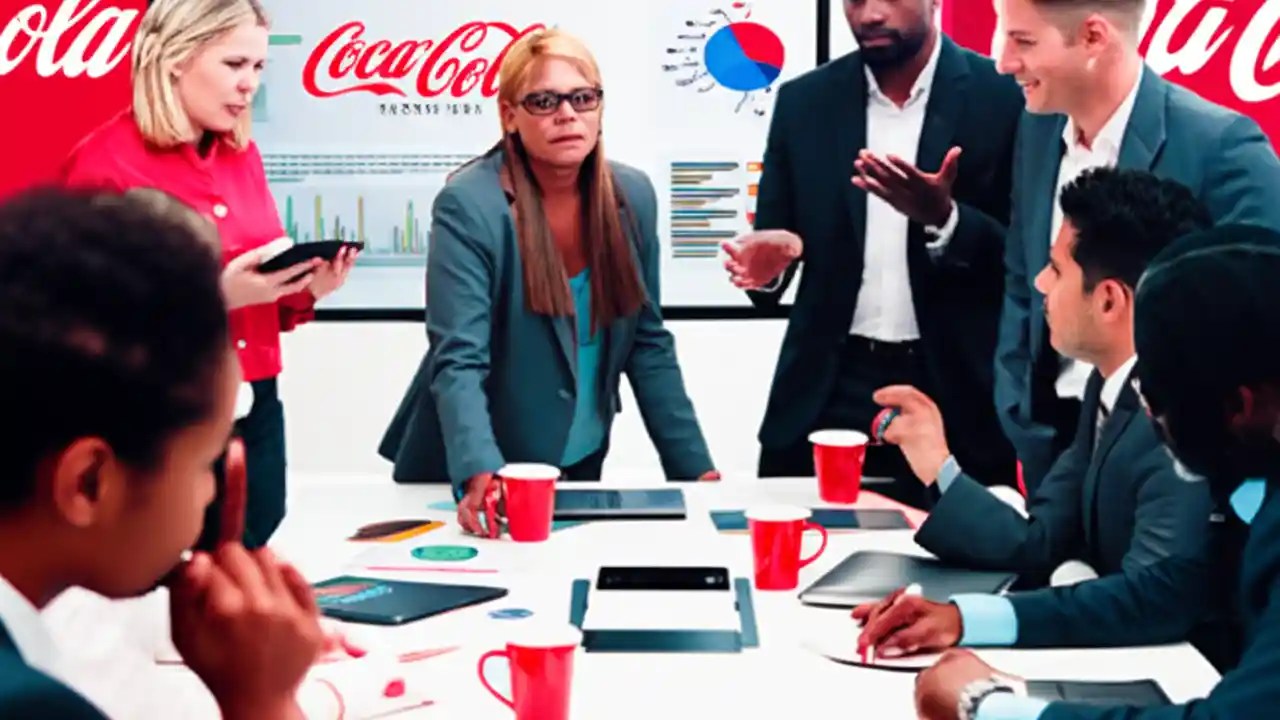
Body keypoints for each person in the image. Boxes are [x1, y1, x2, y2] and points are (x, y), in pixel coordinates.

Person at [853, 168, 1241, 670]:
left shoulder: (1174, 416)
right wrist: (937, 464)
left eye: (1056, 270)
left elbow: (1152, 601)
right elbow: (1039, 542)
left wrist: (967, 619)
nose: (1039, 283)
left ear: (1109, 300)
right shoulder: (1108, 385)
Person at [913, 222, 1280, 720]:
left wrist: (983, 706)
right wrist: (966, 618)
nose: (1146, 409)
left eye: (1157, 393)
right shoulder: (1252, 478)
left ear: (1240, 406)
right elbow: (1171, 591)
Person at [378, 28, 717, 536]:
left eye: (583, 98)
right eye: (543, 101)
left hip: (579, 460)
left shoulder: (633, 196)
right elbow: (459, 357)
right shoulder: (470, 204)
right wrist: (480, 470)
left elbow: (647, 343)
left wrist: (696, 472)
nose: (567, 114)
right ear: (509, 116)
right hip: (479, 470)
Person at [0, 187, 323, 719]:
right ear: (89, 483)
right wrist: (264, 700)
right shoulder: (30, 705)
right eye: (203, 463)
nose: (213, 492)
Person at [59, 0, 355, 549]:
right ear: (175, 57)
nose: (250, 85)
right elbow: (83, 322)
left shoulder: (243, 156)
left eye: (259, 67)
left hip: (254, 402)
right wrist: (211, 297)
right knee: (168, 568)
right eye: (234, 64)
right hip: (159, 412)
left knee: (249, 547)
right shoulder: (104, 163)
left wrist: (304, 288)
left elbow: (256, 287)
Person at [722, 0, 1023, 508]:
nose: (871, 14)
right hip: (828, 388)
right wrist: (767, 271)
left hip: (957, 392)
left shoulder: (1003, 98)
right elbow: (773, 248)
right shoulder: (805, 103)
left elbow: (1028, 259)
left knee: (960, 547)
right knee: (803, 548)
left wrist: (945, 219)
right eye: (856, 0)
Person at [991, 0, 1280, 495]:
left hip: (1166, 471)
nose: (1002, 61)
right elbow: (1023, 280)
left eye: (1024, 41)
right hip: (1052, 449)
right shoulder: (1037, 128)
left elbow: (1261, 327)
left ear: (1094, 37)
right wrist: (1021, 416)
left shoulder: (1222, 147)